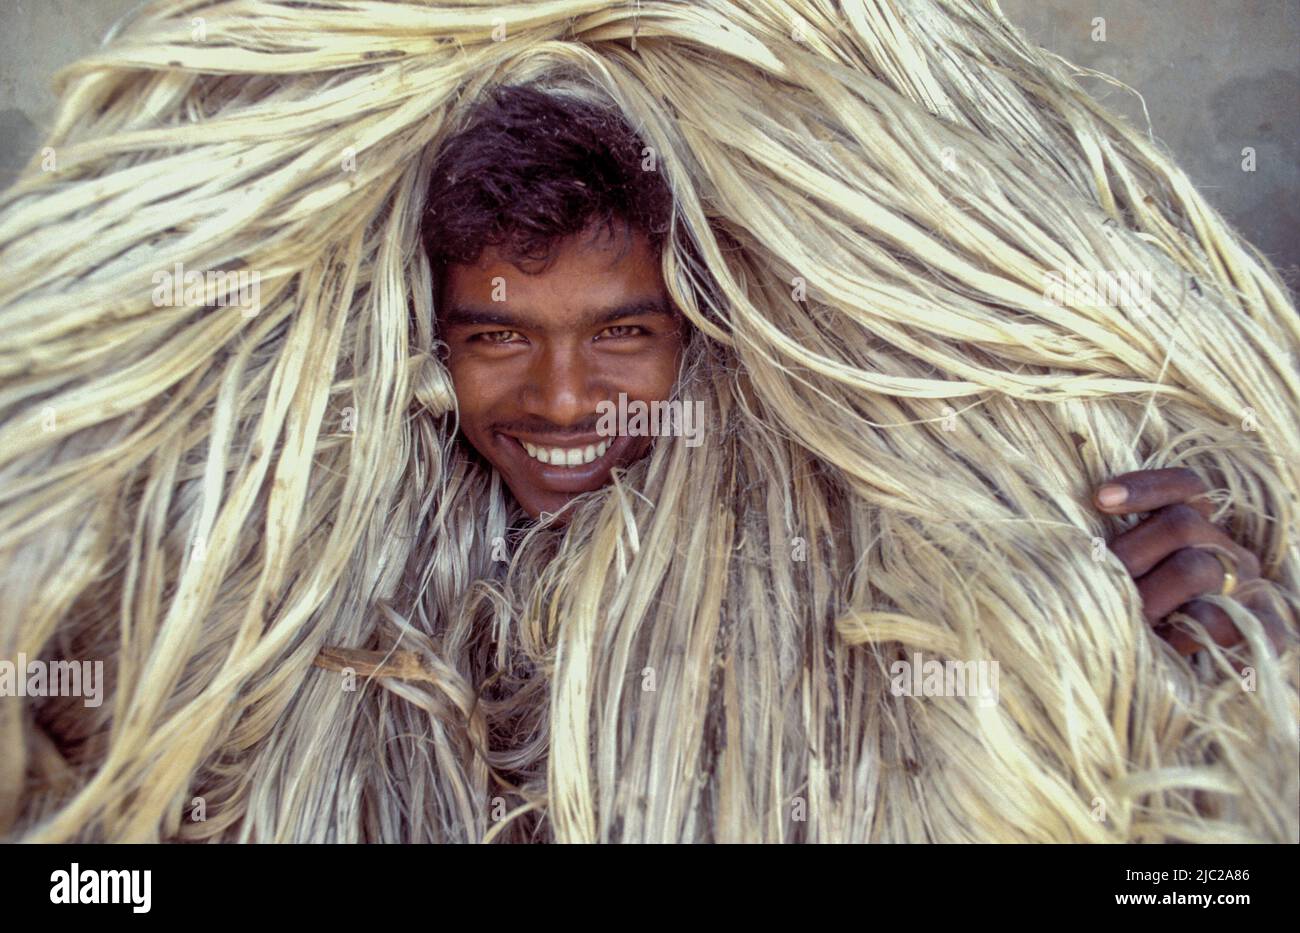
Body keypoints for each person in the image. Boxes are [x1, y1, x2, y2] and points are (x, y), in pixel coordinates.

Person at [0, 0, 1296, 844]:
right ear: (428, 343)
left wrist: (1214, 669)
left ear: (700, 331)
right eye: (499, 336)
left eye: (623, 332)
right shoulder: (300, 612)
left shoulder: (848, 594)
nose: (562, 403)